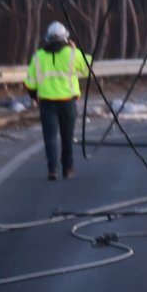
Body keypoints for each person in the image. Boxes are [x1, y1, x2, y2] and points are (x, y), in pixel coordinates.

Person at [24, 22, 92, 181]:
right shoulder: (72, 54)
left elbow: (30, 83)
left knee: (50, 138)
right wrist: (75, 49)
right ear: (66, 38)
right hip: (67, 103)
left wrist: (34, 97)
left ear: (47, 39)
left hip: (47, 103)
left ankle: (52, 169)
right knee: (67, 137)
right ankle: (67, 168)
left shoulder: (38, 56)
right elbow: (88, 67)